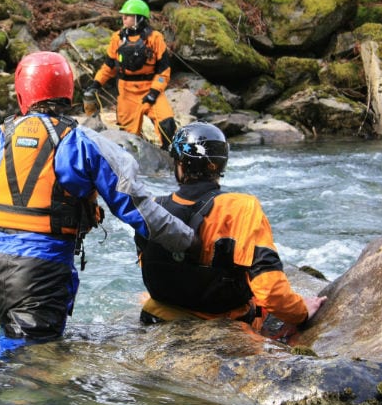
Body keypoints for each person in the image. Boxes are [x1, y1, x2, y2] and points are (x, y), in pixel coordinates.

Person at [0, 51, 196, 344]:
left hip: (0, 269)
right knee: (29, 352)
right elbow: (136, 207)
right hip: (44, 270)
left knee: (18, 338)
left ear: (23, 94)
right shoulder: (81, 142)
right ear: (66, 93)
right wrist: (188, 241)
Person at [134, 121, 326, 338]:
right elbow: (270, 290)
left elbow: (148, 263)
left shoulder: (152, 207)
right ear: (220, 164)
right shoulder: (241, 208)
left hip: (156, 316)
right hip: (219, 327)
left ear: (179, 164)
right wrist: (300, 312)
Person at [83, 0, 177, 149]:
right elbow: (109, 66)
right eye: (123, 15)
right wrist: (96, 83)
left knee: (167, 125)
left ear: (139, 18)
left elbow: (163, 71)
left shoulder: (155, 38)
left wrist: (153, 92)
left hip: (150, 91)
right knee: (128, 140)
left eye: (128, 15)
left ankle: (171, 159)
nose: (123, 18)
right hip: (127, 92)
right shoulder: (117, 38)